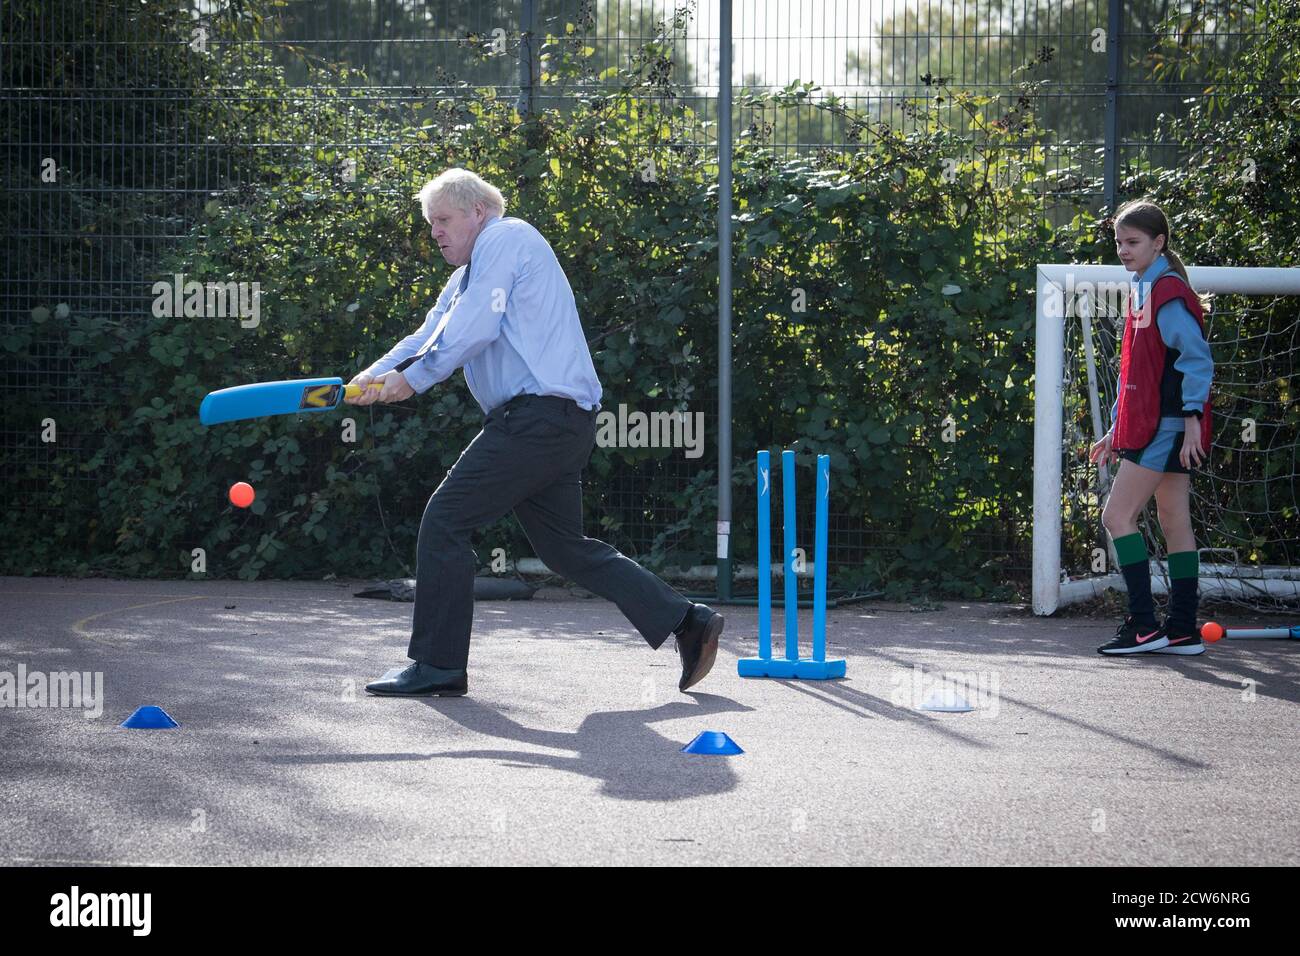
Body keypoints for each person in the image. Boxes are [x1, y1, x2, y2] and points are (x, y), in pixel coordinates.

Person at [346, 168, 723, 696]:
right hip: (555, 421)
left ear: (478, 211)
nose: (434, 232)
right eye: (430, 222)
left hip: (539, 419)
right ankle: (688, 622)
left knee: (445, 521)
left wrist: (411, 381)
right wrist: (364, 381)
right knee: (564, 550)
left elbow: (472, 330)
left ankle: (438, 665)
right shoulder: (465, 277)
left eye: (443, 219)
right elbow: (428, 334)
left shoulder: (507, 237)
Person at [1089, 199, 1213, 656]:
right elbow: (1134, 370)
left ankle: (1143, 626)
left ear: (1158, 242)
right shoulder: (1142, 287)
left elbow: (1196, 359)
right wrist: (1115, 426)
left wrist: (1193, 419)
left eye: (1133, 242)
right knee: (1173, 519)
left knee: (1117, 517)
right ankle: (1181, 629)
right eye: (1119, 242)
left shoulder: (1166, 292)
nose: (1123, 250)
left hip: (1166, 426)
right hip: (1159, 423)